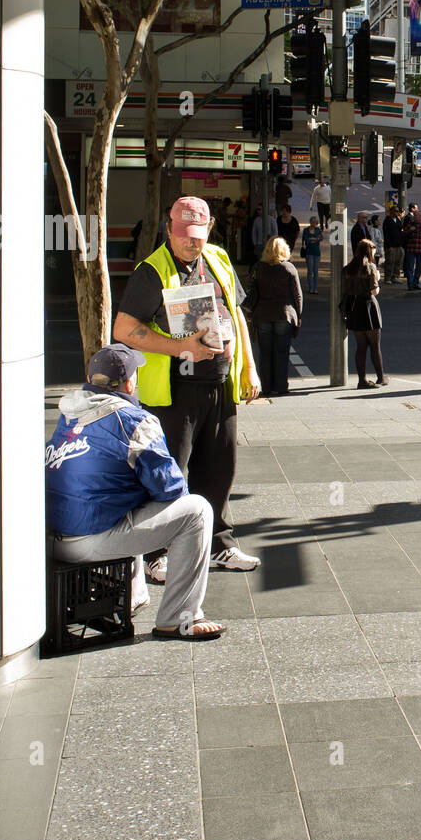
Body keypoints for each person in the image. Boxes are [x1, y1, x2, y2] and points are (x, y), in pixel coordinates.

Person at [113, 196, 262, 578]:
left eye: (197, 235)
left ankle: (218, 546)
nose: (191, 243)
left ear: (209, 228)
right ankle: (154, 553)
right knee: (169, 473)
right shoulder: (153, 270)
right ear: (169, 230)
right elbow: (124, 329)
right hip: (173, 390)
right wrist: (181, 347)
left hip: (220, 383)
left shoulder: (218, 259)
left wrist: (249, 368)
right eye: (184, 235)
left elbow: (237, 315)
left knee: (219, 470)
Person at [46, 343, 224, 640]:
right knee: (197, 511)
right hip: (90, 541)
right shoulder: (133, 420)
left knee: (127, 495)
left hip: (52, 540)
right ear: (129, 382)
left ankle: (135, 595)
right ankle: (180, 618)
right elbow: (171, 488)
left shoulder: (68, 414)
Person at [252, 237, 302, 397]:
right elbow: (297, 295)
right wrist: (299, 315)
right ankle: (281, 386)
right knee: (282, 352)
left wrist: (250, 312)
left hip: (263, 314)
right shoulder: (289, 268)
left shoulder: (259, 268)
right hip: (284, 314)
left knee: (265, 353)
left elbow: (253, 292)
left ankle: (266, 386)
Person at [342, 239, 388, 389]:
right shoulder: (370, 268)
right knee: (375, 345)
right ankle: (381, 377)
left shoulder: (347, 269)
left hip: (354, 307)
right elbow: (374, 290)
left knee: (360, 346)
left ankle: (361, 379)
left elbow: (344, 290)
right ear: (369, 252)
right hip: (368, 306)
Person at [404, 203, 421, 290]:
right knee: (410, 267)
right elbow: (403, 234)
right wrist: (409, 230)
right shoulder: (410, 225)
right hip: (411, 249)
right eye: (414, 216)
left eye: (416, 216)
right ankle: (410, 284)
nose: (414, 217)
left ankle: (415, 283)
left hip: (420, 250)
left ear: (420, 216)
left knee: (419, 268)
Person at [301, 215, 324, 294]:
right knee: (310, 271)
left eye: (315, 222)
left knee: (316, 271)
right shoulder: (306, 230)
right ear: (310, 222)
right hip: (309, 252)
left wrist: (314, 239)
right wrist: (315, 239)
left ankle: (315, 288)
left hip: (317, 253)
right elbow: (305, 240)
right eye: (312, 222)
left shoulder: (318, 230)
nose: (314, 223)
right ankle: (311, 288)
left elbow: (321, 238)